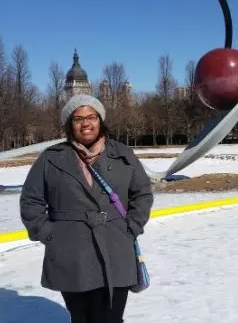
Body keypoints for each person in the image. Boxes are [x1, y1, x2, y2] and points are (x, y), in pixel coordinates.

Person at [20, 94, 153, 323]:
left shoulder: (123, 154)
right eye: (78, 118)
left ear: (100, 120)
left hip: (116, 247)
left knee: (111, 318)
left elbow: (142, 193)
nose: (86, 123)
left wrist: (131, 227)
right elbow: (31, 201)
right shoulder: (51, 159)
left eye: (91, 116)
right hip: (70, 252)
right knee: (81, 318)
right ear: (69, 124)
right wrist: (50, 235)